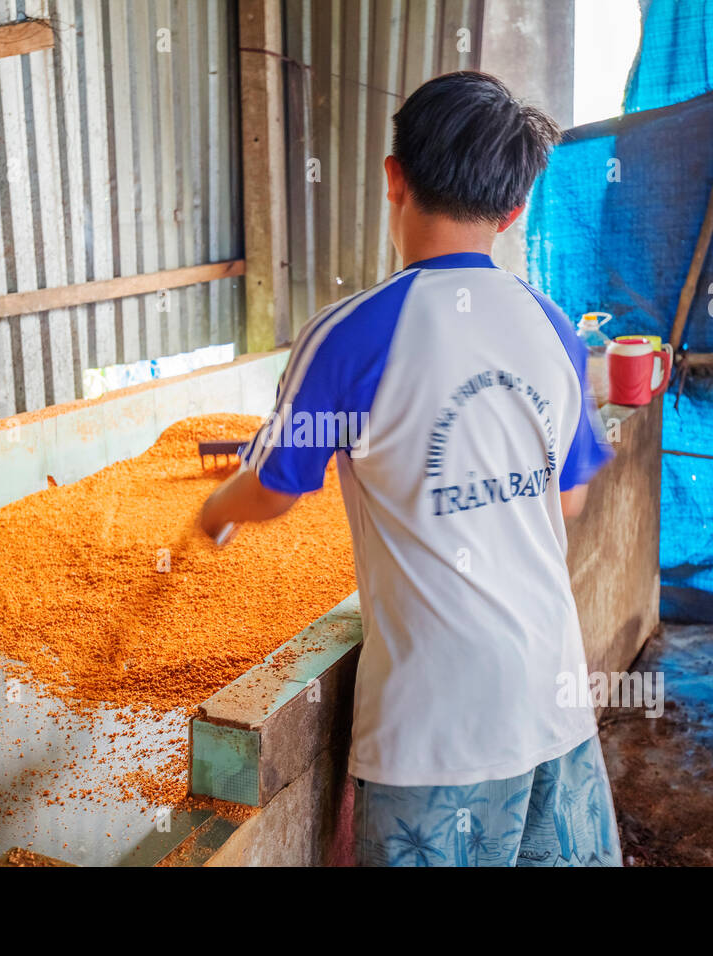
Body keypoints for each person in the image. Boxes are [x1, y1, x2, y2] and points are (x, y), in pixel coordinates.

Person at [199, 71, 621, 867]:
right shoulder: (555, 329)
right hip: (552, 697)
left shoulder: (352, 335)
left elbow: (275, 489)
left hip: (437, 732)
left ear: (393, 178)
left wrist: (212, 514)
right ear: (514, 208)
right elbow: (569, 499)